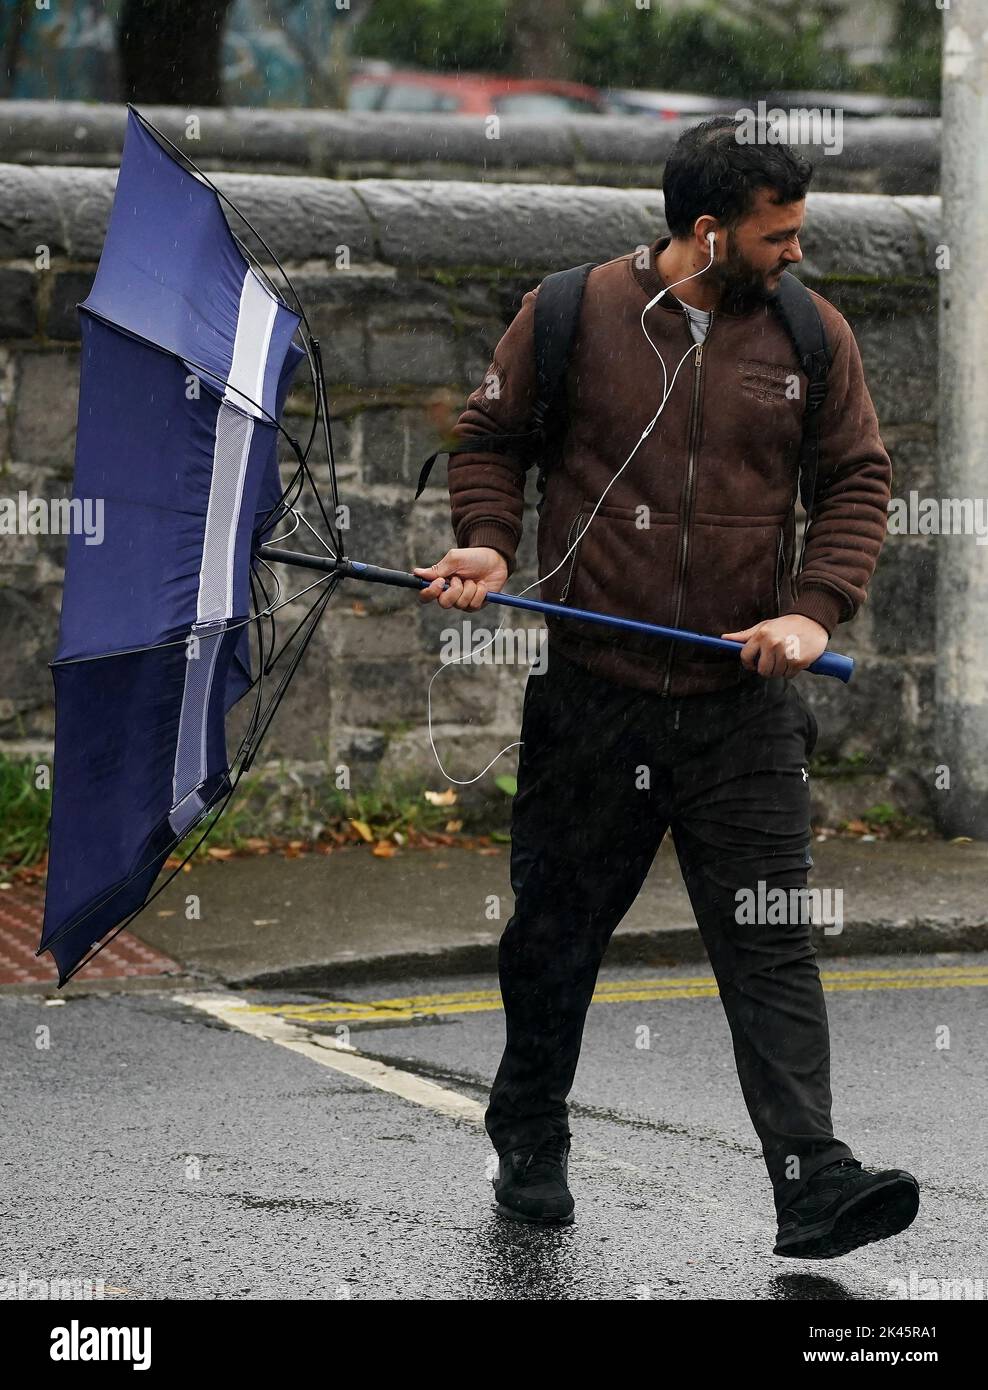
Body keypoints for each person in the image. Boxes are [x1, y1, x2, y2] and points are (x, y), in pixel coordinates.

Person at [414, 118, 919, 1259]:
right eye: (776, 233)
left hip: (741, 712)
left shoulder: (808, 332)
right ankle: (529, 1134)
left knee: (770, 939)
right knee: (555, 935)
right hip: (595, 695)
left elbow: (856, 480)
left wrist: (811, 608)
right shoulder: (568, 315)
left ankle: (812, 1181)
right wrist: (488, 542)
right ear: (706, 231)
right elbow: (489, 440)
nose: (795, 252)